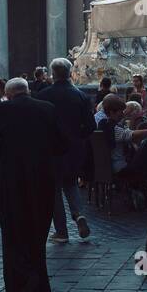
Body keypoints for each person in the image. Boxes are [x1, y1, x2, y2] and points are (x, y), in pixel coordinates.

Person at [0, 78, 67, 292]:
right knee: (38, 228)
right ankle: (37, 276)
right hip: (42, 178)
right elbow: (60, 144)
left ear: (8, 93)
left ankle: (18, 282)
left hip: (11, 179)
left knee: (13, 230)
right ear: (27, 91)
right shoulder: (47, 109)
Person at [33, 57, 94, 244]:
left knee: (54, 189)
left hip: (51, 150)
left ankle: (61, 231)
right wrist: (78, 137)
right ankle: (79, 215)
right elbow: (91, 126)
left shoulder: (43, 95)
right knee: (71, 183)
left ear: (53, 74)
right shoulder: (81, 96)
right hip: (74, 149)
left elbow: (38, 126)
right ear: (70, 73)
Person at [98, 94, 147, 176]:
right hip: (119, 167)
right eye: (120, 111)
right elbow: (130, 134)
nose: (122, 113)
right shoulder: (111, 128)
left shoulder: (104, 124)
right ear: (112, 112)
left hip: (109, 165)